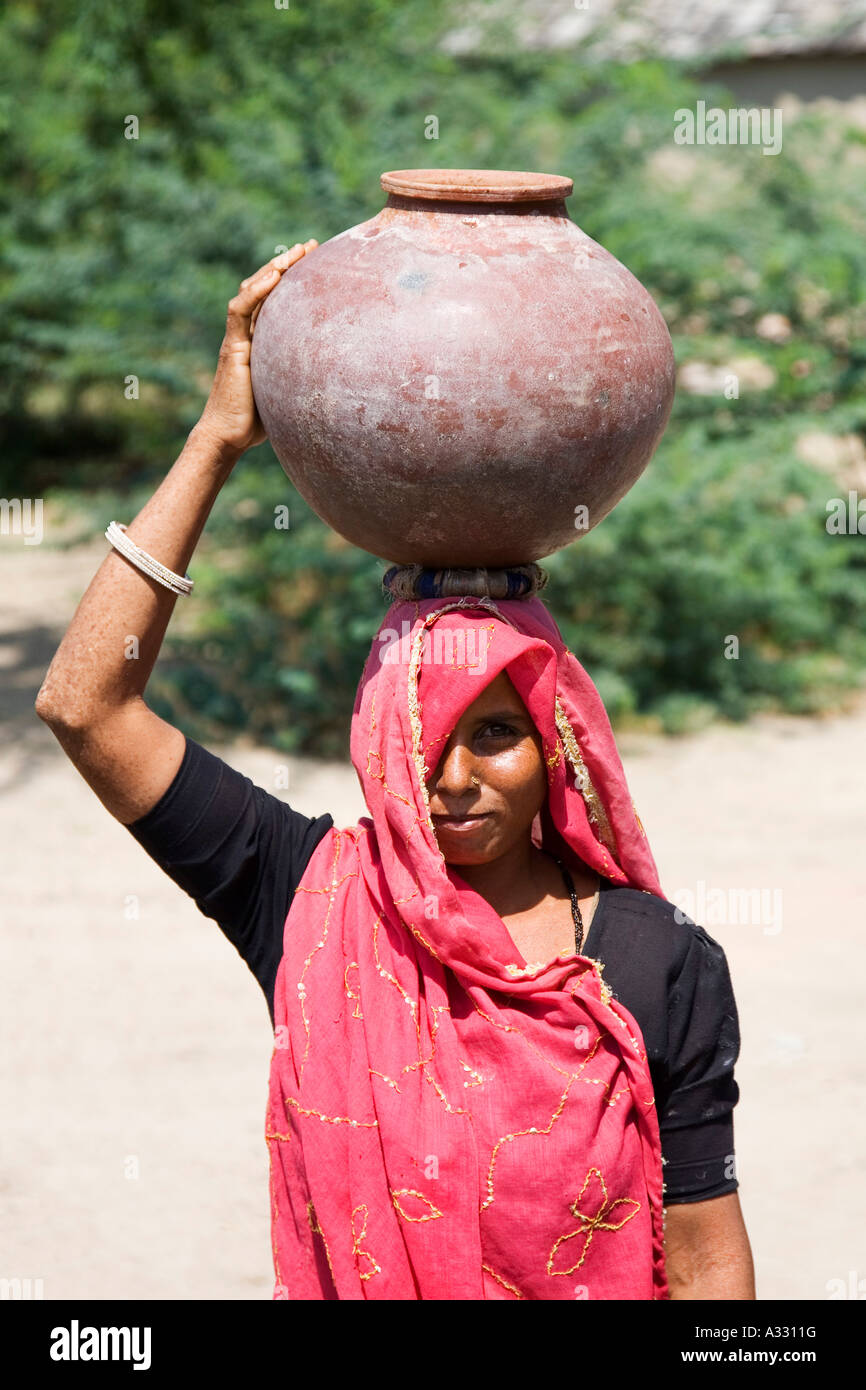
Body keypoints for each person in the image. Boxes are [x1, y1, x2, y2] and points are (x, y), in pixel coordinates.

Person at [35, 247, 755, 1301]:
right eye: (419, 737)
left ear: (554, 747)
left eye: (495, 735)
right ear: (373, 739)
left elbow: (700, 1257)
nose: (451, 778)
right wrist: (217, 438)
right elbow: (85, 703)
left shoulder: (658, 962)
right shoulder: (308, 897)